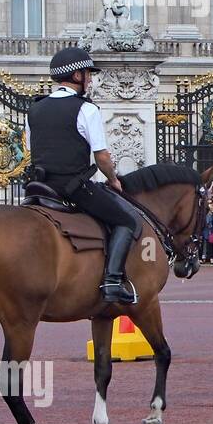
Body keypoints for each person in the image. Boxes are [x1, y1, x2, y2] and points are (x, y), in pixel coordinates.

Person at [25, 47, 142, 305]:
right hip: (72, 187)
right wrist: (113, 180)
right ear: (77, 76)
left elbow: (29, 149)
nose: (90, 79)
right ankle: (112, 281)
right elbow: (101, 156)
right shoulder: (86, 109)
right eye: (88, 74)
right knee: (127, 221)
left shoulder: (34, 109)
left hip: (38, 187)